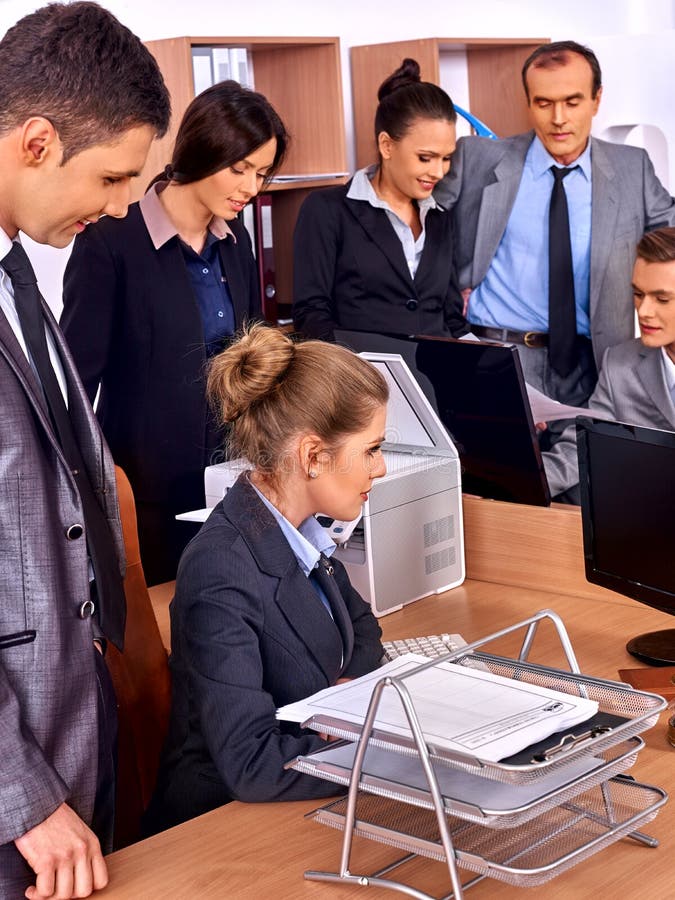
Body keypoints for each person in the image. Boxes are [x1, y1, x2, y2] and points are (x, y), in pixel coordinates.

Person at [0, 3, 170, 897]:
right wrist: (22, 798)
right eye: (111, 177)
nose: (119, 206)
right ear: (37, 141)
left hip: (72, 723)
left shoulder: (20, 274)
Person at [145, 324, 386, 831]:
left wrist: (340, 697)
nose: (381, 467)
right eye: (371, 449)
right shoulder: (221, 569)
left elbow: (364, 630)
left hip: (295, 797)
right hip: (215, 828)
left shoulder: (300, 533)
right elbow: (250, 762)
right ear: (313, 457)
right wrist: (393, 760)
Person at [61, 82, 289, 587]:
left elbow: (253, 350)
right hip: (149, 492)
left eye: (261, 173)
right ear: (203, 151)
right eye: (240, 169)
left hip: (233, 477)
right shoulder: (111, 241)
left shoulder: (235, 239)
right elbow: (75, 380)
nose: (252, 188)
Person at [436, 40, 675, 407]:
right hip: (496, 355)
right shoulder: (478, 159)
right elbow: (414, 223)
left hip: (594, 365)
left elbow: (670, 241)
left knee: (587, 447)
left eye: (572, 102)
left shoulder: (632, 168)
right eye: (544, 103)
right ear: (529, 103)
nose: (558, 118)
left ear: (596, 99)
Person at [292, 58, 467, 342]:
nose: (438, 172)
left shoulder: (440, 217)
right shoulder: (327, 210)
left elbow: (451, 319)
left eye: (446, 158)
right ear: (386, 145)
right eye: (425, 158)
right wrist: (360, 366)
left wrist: (489, 359)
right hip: (360, 369)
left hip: (436, 369)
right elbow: (311, 315)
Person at [544, 227, 675, 499]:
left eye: (662, 299)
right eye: (638, 294)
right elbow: (580, 447)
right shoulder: (619, 363)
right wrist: (512, 483)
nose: (644, 311)